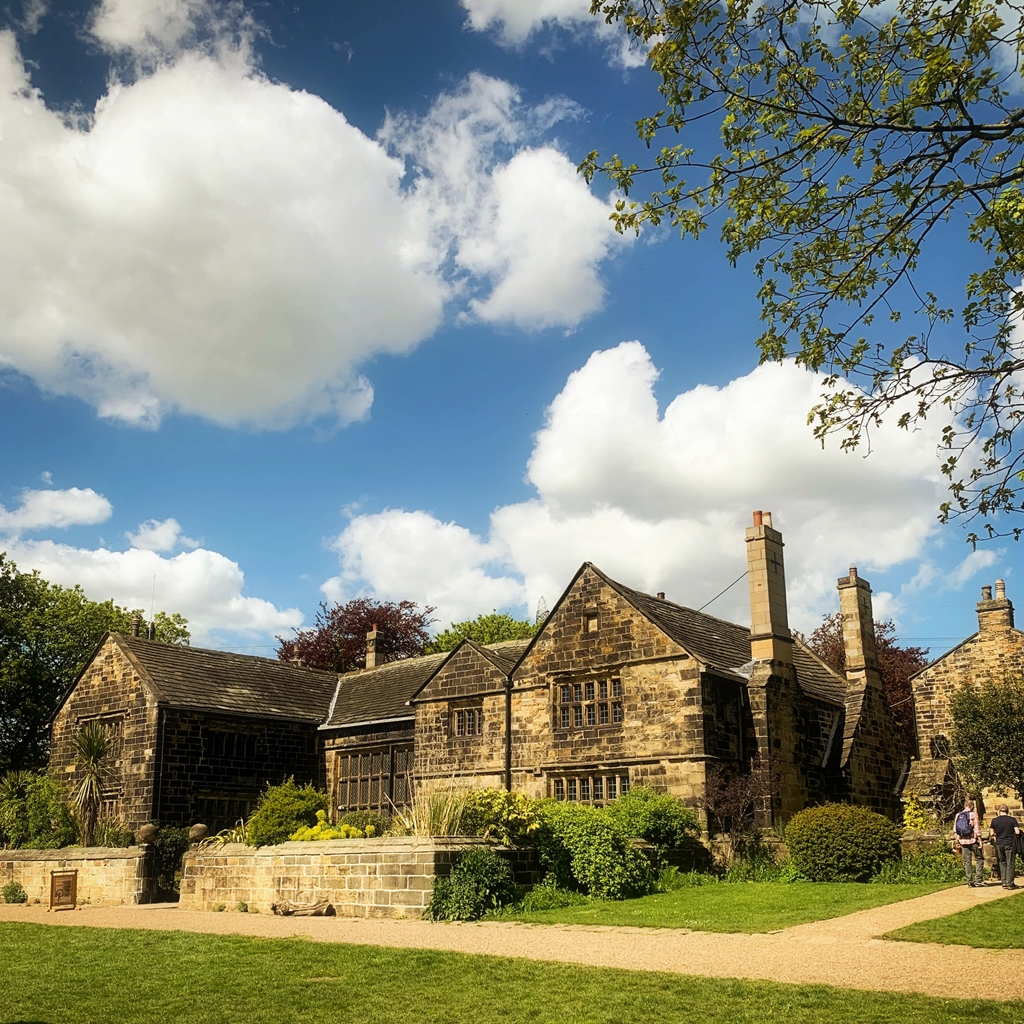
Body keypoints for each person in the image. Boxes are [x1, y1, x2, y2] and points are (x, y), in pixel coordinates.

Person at [954, 798, 985, 887]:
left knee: (967, 861)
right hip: (973, 841)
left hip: (963, 841)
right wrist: (980, 840)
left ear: (965, 806)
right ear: (971, 806)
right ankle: (978, 879)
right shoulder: (973, 814)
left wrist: (957, 841)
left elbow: (955, 830)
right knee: (979, 859)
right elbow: (977, 828)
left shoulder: (958, 815)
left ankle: (970, 881)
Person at [989, 804, 1021, 890]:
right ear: (1008, 811)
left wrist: (998, 834)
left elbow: (991, 833)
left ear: (999, 811)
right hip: (1009, 843)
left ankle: (1004, 882)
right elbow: (1017, 832)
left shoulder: (994, 820)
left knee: (1002, 862)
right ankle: (1010, 883)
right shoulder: (1012, 820)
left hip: (999, 843)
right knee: (1010, 863)